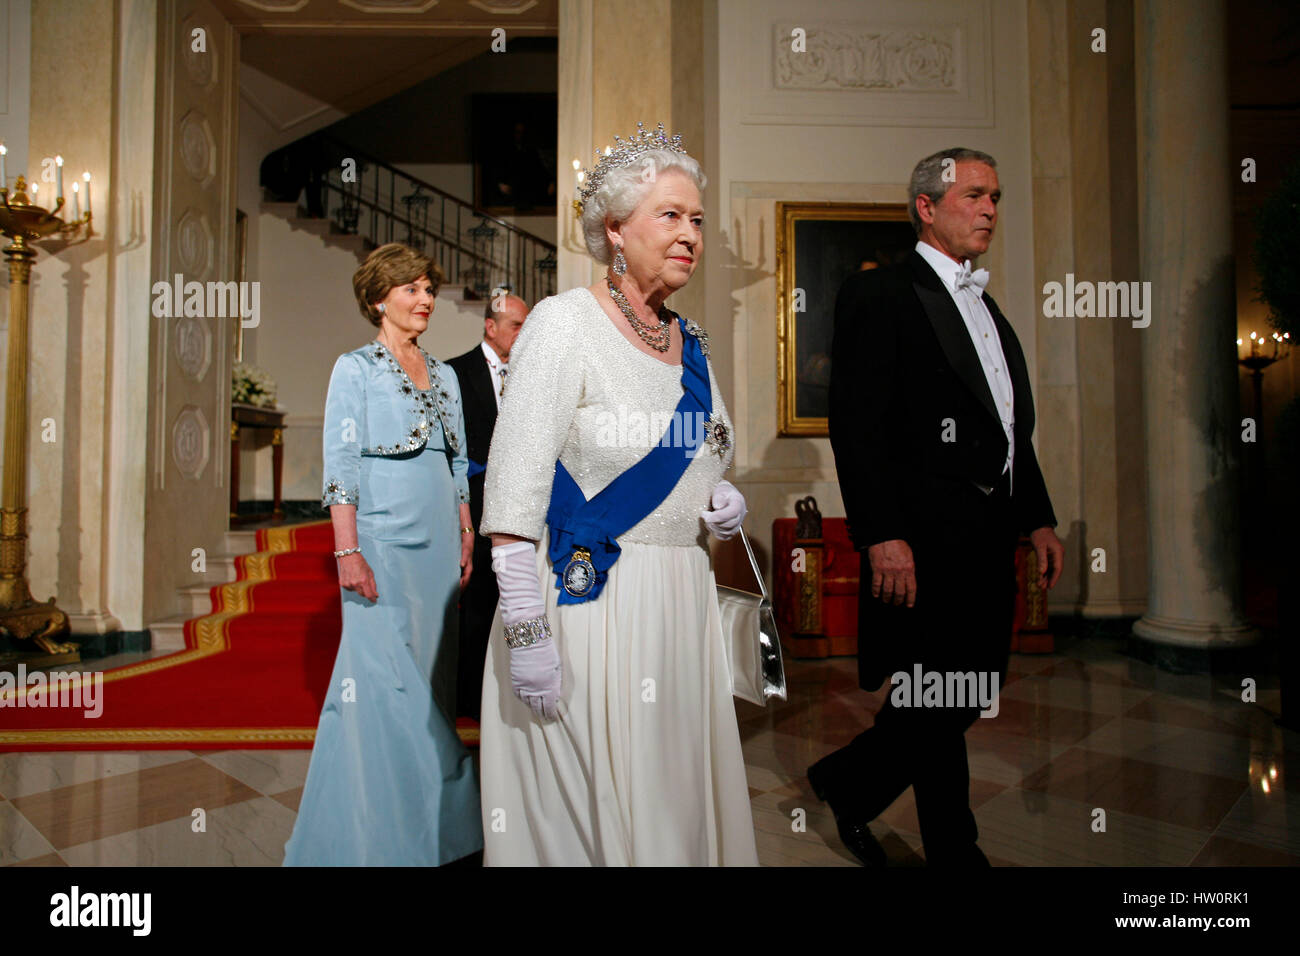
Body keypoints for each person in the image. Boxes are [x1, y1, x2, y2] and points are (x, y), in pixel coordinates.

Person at [476, 123, 757, 865]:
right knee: (591, 808)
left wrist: (723, 500)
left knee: (671, 799)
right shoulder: (563, 323)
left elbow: (714, 449)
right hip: (589, 601)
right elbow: (514, 482)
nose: (690, 233)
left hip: (678, 599)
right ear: (614, 229)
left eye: (697, 218)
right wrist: (527, 635)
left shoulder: (688, 342)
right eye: (669, 215)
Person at [810, 147, 1065, 867]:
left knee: (961, 687)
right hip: (922, 539)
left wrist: (1036, 515)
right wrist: (882, 533)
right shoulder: (881, 293)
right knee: (942, 690)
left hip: (988, 535)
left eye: (996, 196)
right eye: (975, 195)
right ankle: (948, 844)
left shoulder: (986, 304)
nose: (990, 209)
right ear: (927, 205)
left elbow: (1008, 425)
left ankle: (851, 785)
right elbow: (856, 426)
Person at [283, 243, 483, 866]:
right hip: (381, 541)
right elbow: (340, 467)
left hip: (438, 546)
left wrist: (466, 527)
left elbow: (457, 461)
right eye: (412, 289)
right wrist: (346, 550)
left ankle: (433, 827)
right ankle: (375, 831)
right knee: (381, 685)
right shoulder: (356, 369)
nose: (426, 299)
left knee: (430, 681)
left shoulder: (446, 374)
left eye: (429, 288)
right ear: (379, 297)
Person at [447, 290, 529, 721]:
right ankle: (468, 699)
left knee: (513, 597)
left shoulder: (533, 372)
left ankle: (509, 691)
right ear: (490, 326)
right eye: (516, 324)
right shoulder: (455, 373)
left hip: (521, 505)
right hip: (474, 506)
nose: (523, 333)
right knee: (477, 601)